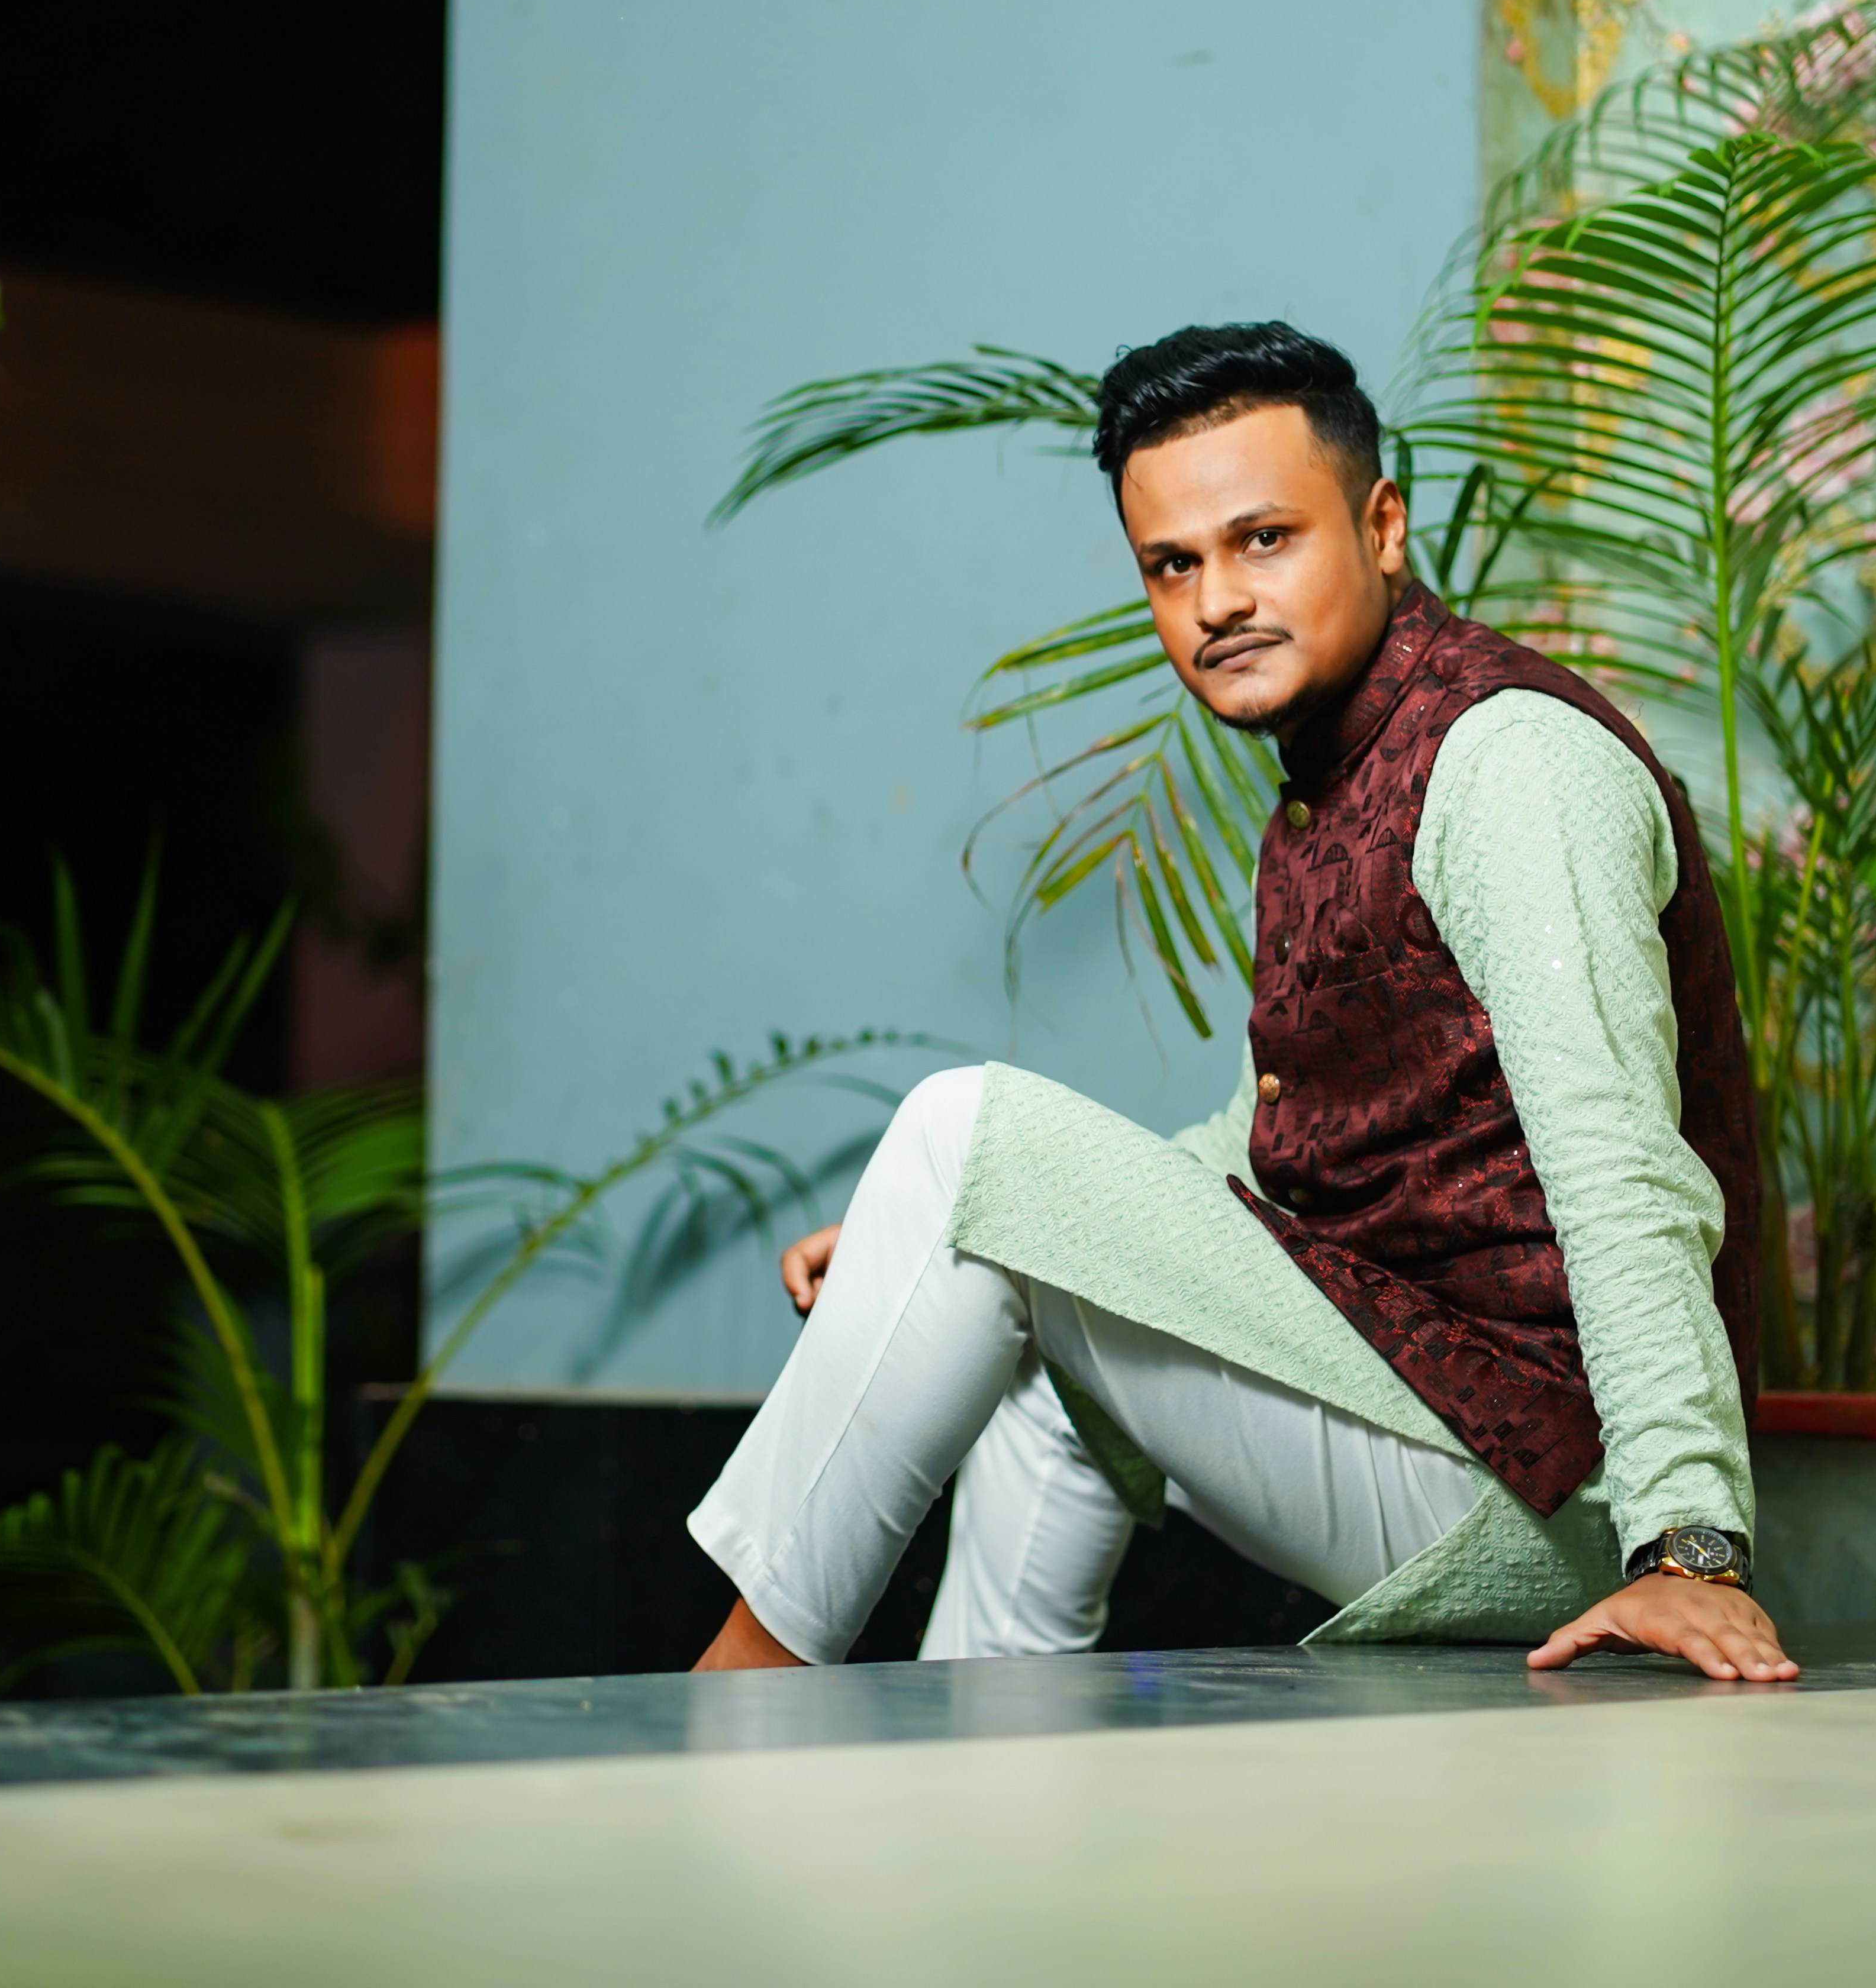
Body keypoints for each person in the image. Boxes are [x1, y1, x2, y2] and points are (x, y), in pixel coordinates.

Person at [685, 321, 1793, 1683]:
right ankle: (973, 1764)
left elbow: (1626, 1167)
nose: (1215, 598)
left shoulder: (1506, 764)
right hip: (1440, 1413)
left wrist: (1686, 1543)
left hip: (1556, 1497)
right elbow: (1276, 1157)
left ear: (1382, 526)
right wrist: (941, 1230)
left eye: (1264, 538)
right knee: (1028, 1323)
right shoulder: (1332, 777)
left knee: (960, 1121)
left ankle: (737, 1694)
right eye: (1173, 563)